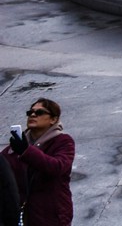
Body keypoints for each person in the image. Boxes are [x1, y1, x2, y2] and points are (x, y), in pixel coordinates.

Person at [3, 97, 74, 226]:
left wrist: (26, 151)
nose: (33, 115)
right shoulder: (15, 147)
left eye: (40, 112)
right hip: (22, 217)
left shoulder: (63, 141)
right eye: (30, 113)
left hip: (51, 217)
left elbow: (57, 167)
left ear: (53, 119)